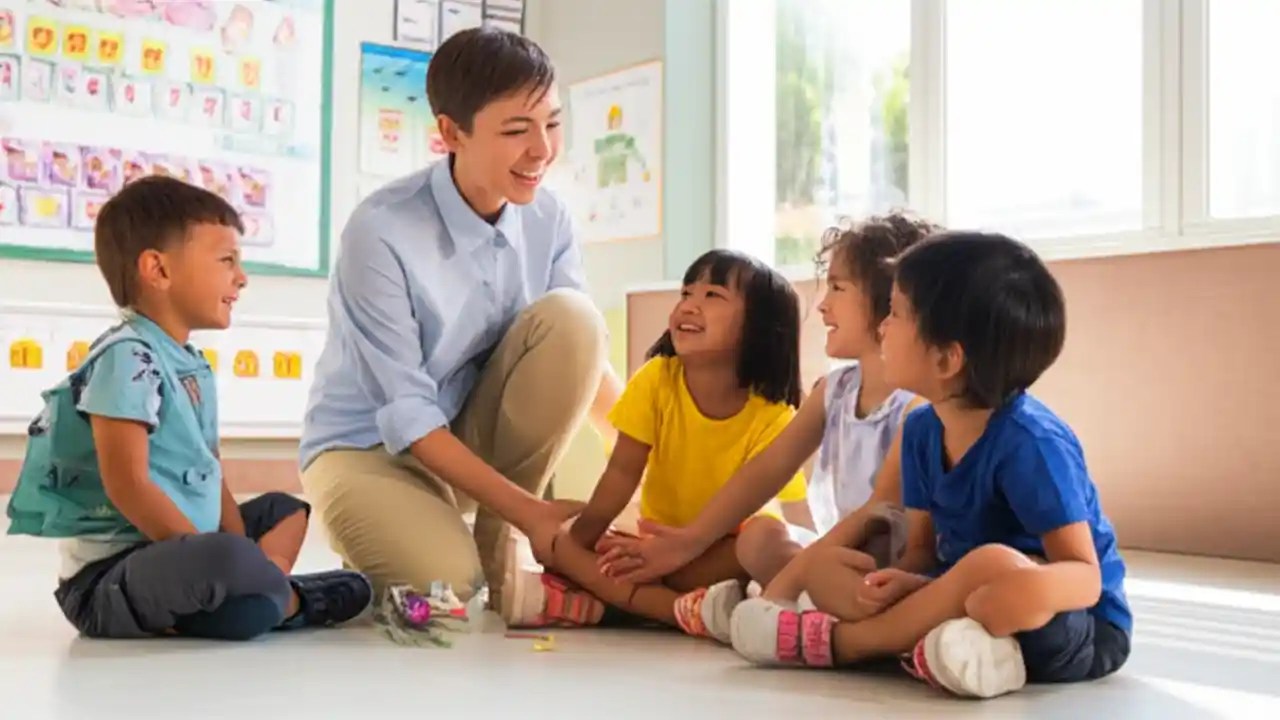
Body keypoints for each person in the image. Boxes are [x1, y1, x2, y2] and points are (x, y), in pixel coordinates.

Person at [298, 27, 624, 619]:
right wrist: (535, 511)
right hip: (368, 448)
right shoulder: (381, 230)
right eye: (516, 130)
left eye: (552, 123)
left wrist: (645, 464)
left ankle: (498, 537)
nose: (543, 150)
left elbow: (580, 357)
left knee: (575, 319)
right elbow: (410, 416)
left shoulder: (549, 217)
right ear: (450, 133)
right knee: (447, 592)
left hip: (469, 437)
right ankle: (401, 536)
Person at [730, 232, 1132, 700]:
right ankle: (951, 651)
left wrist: (1022, 590)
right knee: (831, 571)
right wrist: (902, 581)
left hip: (1074, 627)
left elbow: (1085, 577)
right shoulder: (921, 429)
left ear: (946, 358)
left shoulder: (1032, 443)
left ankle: (850, 645)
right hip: (956, 596)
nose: (883, 327)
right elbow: (924, 551)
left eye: (896, 314)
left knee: (993, 563)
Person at [5, 176, 371, 640]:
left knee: (285, 510)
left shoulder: (190, 363)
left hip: (183, 555)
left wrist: (234, 548)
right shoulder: (127, 357)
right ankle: (283, 599)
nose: (241, 278)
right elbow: (128, 485)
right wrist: (220, 556)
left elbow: (210, 470)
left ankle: (257, 597)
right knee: (228, 562)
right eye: (226, 261)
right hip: (107, 582)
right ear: (158, 270)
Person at [598, 214, 936, 642]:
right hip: (835, 558)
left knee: (823, 574)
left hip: (886, 566)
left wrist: (785, 585)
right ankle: (811, 605)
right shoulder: (833, 390)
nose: (821, 305)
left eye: (837, 287)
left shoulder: (916, 407)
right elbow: (764, 472)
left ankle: (821, 614)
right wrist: (688, 540)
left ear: (890, 299)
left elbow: (880, 520)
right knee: (758, 536)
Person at [495, 249, 808, 631]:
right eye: (686, 293)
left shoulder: (773, 416)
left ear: (759, 327)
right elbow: (622, 473)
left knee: (765, 535)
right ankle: (687, 612)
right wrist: (579, 542)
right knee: (561, 528)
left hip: (720, 557)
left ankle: (626, 606)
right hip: (652, 550)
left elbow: (786, 511)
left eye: (713, 296)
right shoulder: (657, 379)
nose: (690, 306)